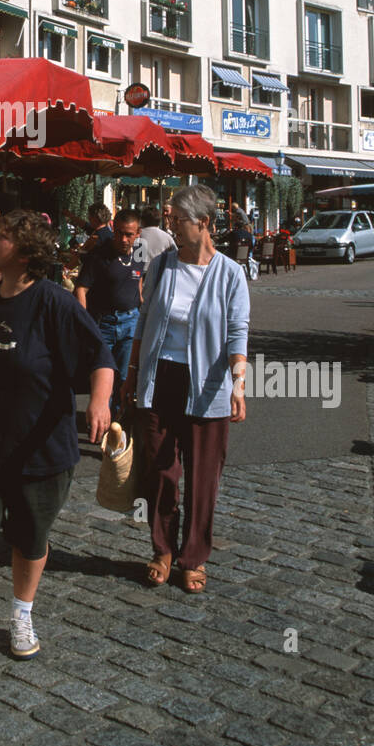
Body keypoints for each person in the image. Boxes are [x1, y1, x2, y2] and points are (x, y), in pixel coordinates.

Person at [0, 209, 114, 666]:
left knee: (29, 538)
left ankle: (21, 615)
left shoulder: (54, 302)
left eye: (3, 237)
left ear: (26, 253)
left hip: (39, 448)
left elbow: (100, 353)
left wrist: (100, 402)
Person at [122, 184, 250, 594]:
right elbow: (144, 321)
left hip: (208, 386)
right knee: (161, 470)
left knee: (202, 477)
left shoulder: (230, 273)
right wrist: (131, 372)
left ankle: (193, 557)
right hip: (161, 379)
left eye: (178, 221)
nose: (172, 227)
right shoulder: (162, 267)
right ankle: (162, 549)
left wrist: (239, 383)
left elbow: (237, 333)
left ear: (205, 223)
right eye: (170, 220)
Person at [75, 209, 143, 412]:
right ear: (113, 229)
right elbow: (81, 289)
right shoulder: (99, 255)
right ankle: (99, 414)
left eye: (129, 234)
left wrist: (142, 305)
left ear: (137, 233)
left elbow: (138, 280)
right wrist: (84, 324)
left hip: (131, 321)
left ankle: (117, 419)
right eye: (119, 233)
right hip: (103, 323)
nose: (123, 239)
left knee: (124, 375)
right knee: (102, 374)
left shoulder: (140, 251)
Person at [135, 206, 176, 278]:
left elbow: (135, 259)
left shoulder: (137, 236)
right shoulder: (167, 237)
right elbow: (176, 256)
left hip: (141, 274)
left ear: (142, 220)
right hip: (161, 274)